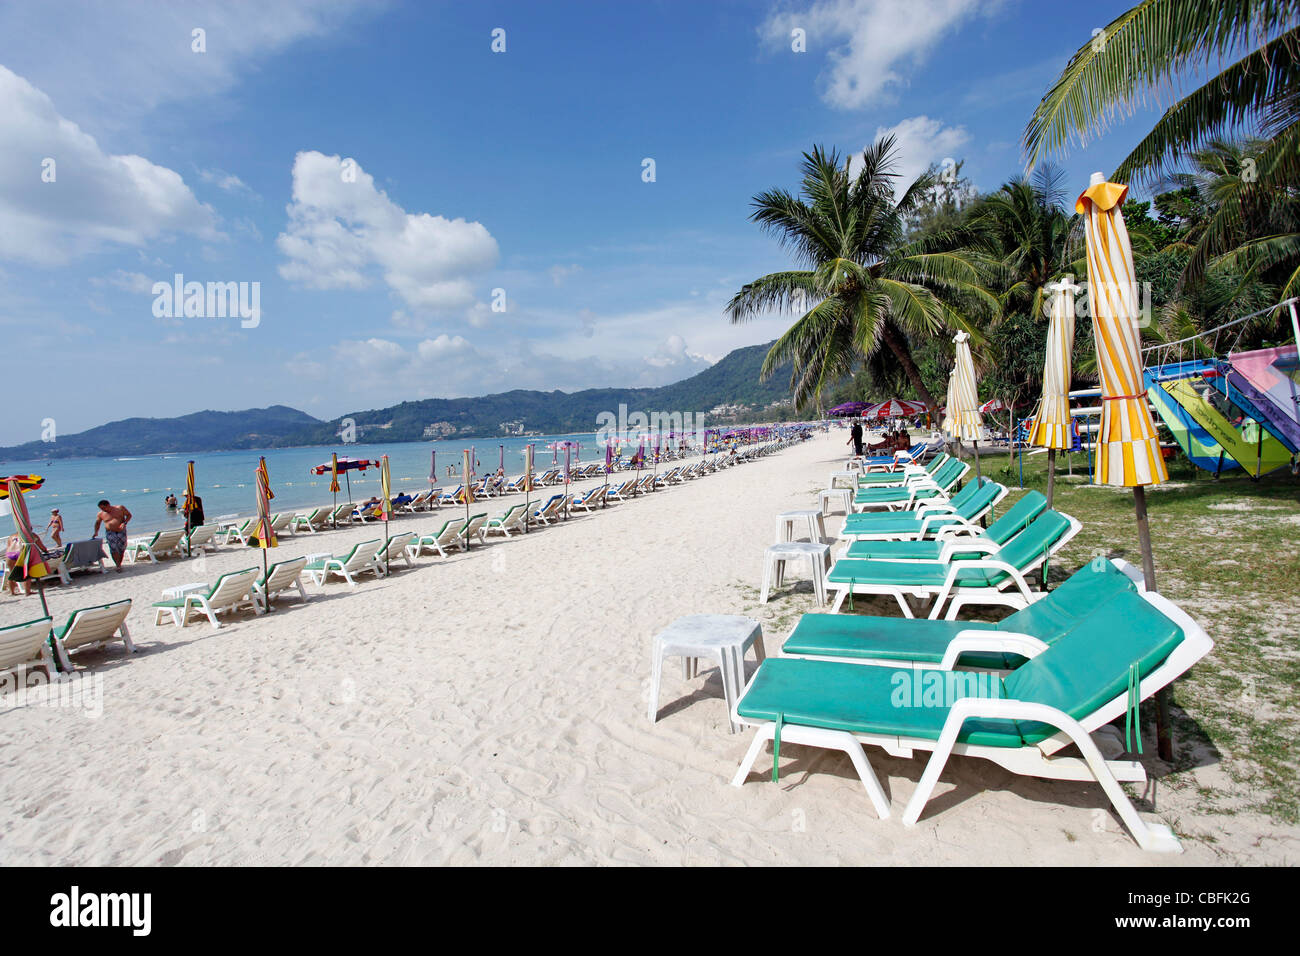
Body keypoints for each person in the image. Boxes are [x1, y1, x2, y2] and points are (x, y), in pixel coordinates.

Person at [93, 499, 133, 571]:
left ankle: (119, 563)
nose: (103, 510)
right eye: (101, 508)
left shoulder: (120, 508)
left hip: (121, 531)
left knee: (121, 548)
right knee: (113, 549)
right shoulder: (101, 514)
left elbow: (129, 515)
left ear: (108, 505)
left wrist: (124, 523)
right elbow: (97, 523)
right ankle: (118, 565)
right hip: (110, 532)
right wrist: (96, 532)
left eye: (103, 508)